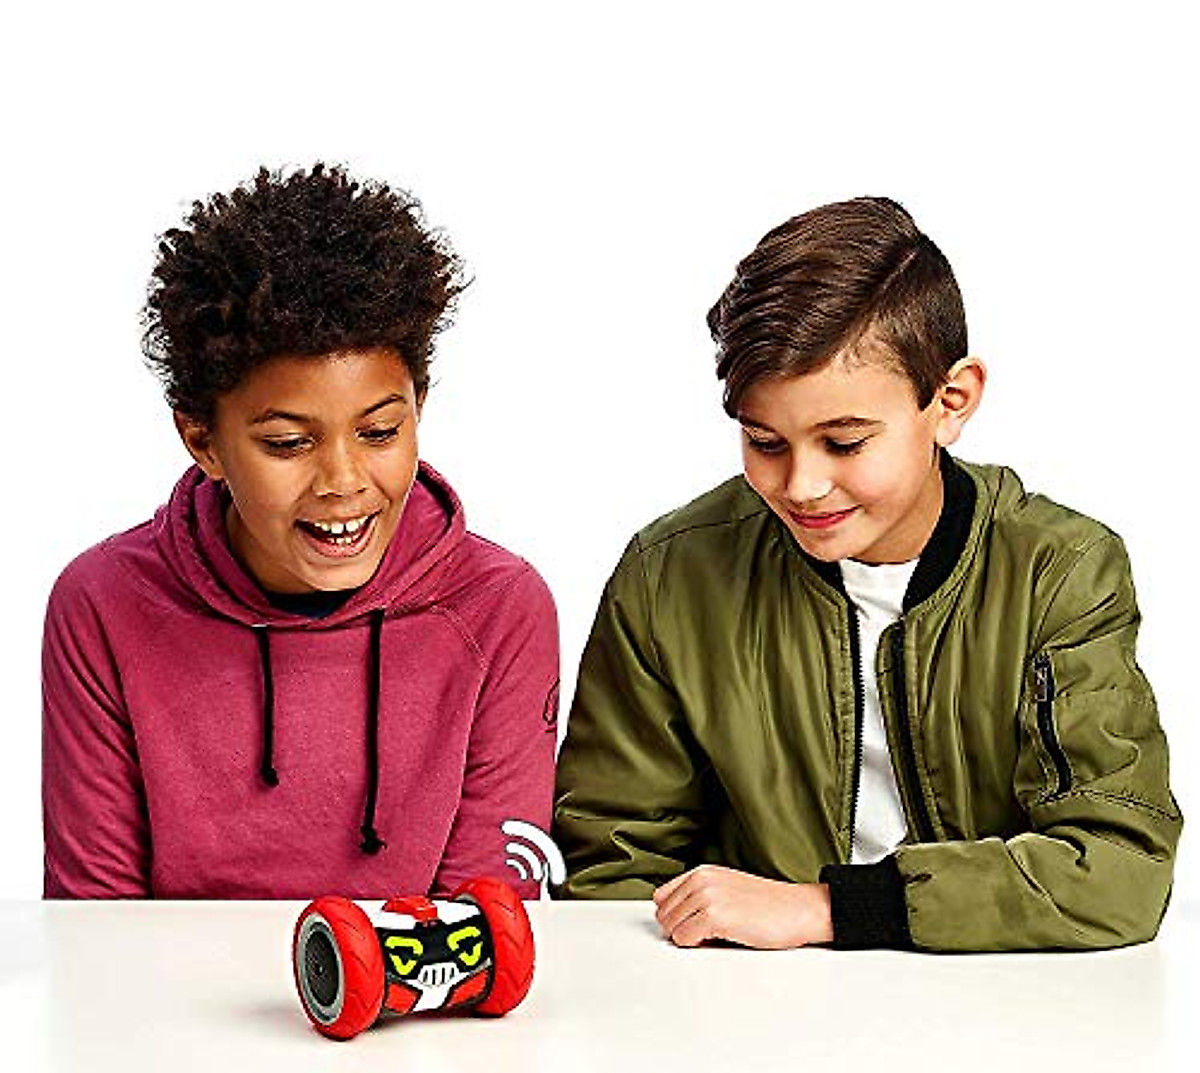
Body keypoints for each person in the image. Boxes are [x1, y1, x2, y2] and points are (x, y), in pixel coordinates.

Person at [554, 196, 1180, 952]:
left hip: (998, 998)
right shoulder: (670, 576)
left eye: (845, 443)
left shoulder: (1060, 572)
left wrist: (832, 909)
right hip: (749, 999)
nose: (802, 486)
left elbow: (1117, 865)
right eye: (765, 442)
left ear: (951, 402)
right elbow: (611, 871)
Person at [43, 165, 559, 900]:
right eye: (288, 444)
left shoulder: (499, 607)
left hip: (416, 981)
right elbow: (93, 921)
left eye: (379, 431)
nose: (343, 481)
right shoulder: (104, 604)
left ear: (419, 407)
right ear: (202, 440)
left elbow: (483, 923)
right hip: (161, 981)